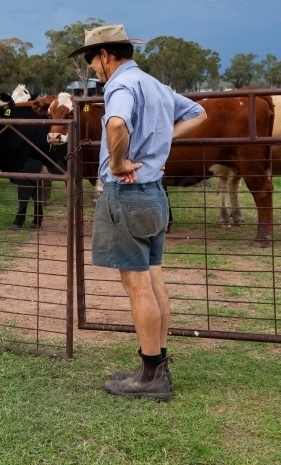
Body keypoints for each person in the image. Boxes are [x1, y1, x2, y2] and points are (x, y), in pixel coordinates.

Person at [68, 24, 207, 401]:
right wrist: (160, 142)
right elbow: (198, 113)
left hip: (127, 196)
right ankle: (156, 364)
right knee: (154, 279)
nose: (94, 67)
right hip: (154, 195)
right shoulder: (155, 85)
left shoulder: (120, 86)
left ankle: (149, 376)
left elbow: (116, 124)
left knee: (137, 286)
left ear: (106, 56)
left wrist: (117, 161)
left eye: (91, 59)